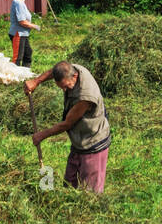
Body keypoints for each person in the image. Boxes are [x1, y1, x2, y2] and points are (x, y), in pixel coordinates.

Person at [23, 59, 110, 191]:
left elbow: (67, 124)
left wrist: (41, 135)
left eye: (66, 86)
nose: (64, 90)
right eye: (61, 87)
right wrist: (36, 81)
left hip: (92, 141)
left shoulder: (85, 96)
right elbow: (54, 71)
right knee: (69, 185)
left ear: (74, 76)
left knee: (90, 193)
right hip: (79, 139)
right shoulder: (71, 69)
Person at [9, 0, 41, 68]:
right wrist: (34, 26)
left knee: (28, 53)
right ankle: (13, 75)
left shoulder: (20, 3)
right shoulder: (19, 4)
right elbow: (22, 21)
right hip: (18, 34)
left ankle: (25, 72)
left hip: (23, 34)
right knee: (18, 57)